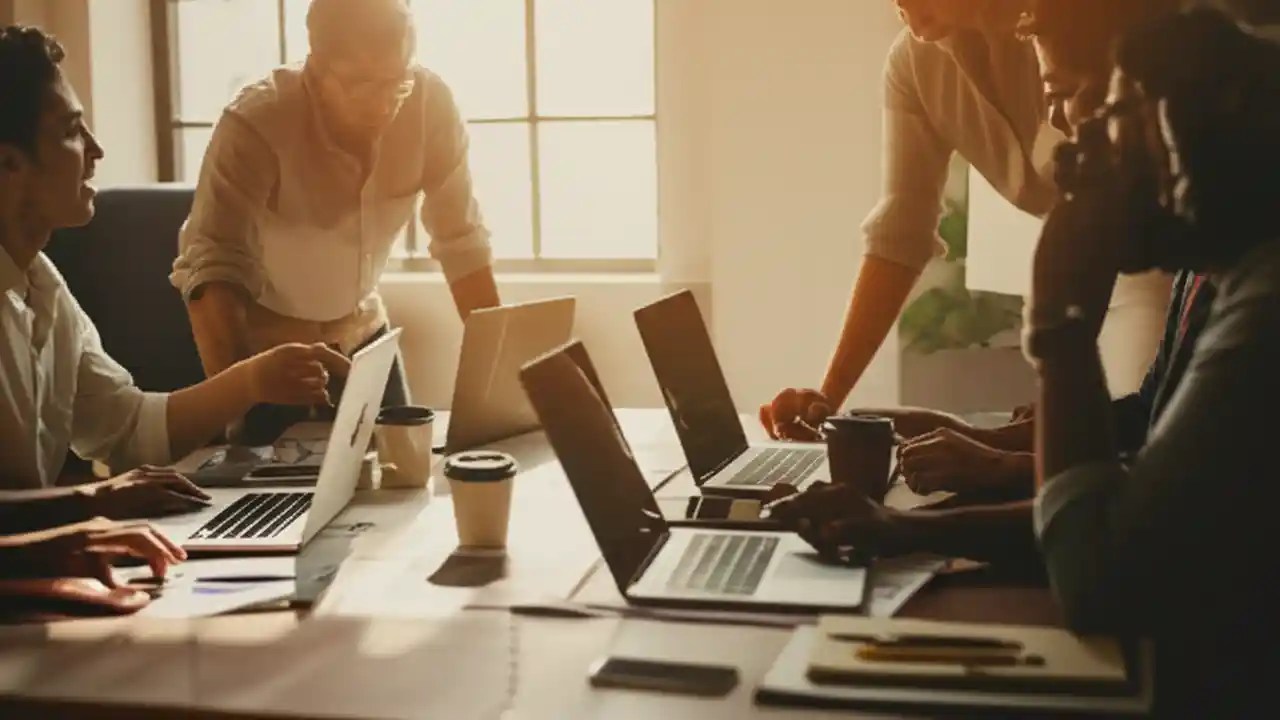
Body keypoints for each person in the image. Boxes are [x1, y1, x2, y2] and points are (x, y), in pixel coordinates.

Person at [769, 0, 1189, 567]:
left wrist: (932, 510)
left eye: (1072, 99)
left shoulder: (1074, 27)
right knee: (1109, 446)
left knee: (1124, 509)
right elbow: (900, 231)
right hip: (1099, 249)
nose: (1068, 124)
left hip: (1161, 253)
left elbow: (1129, 514)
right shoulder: (917, 65)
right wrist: (832, 409)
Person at [1, 24, 342, 576]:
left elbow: (128, 430)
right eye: (71, 130)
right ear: (10, 164)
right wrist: (93, 504)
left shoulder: (40, 285)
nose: (96, 150)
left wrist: (253, 379)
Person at [1025, 9, 1280, 712]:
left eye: (1117, 115)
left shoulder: (1267, 306)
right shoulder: (1239, 282)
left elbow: (1103, 589)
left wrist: (1060, 326)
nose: (1083, 156)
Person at [171, 0, 500, 444]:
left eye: (396, 82)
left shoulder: (429, 104)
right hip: (266, 348)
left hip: (363, 332)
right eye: (362, 85)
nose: (384, 104)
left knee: (404, 480)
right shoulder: (256, 123)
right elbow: (213, 268)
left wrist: (502, 370)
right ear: (317, 68)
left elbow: (462, 243)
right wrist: (239, 403)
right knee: (276, 500)